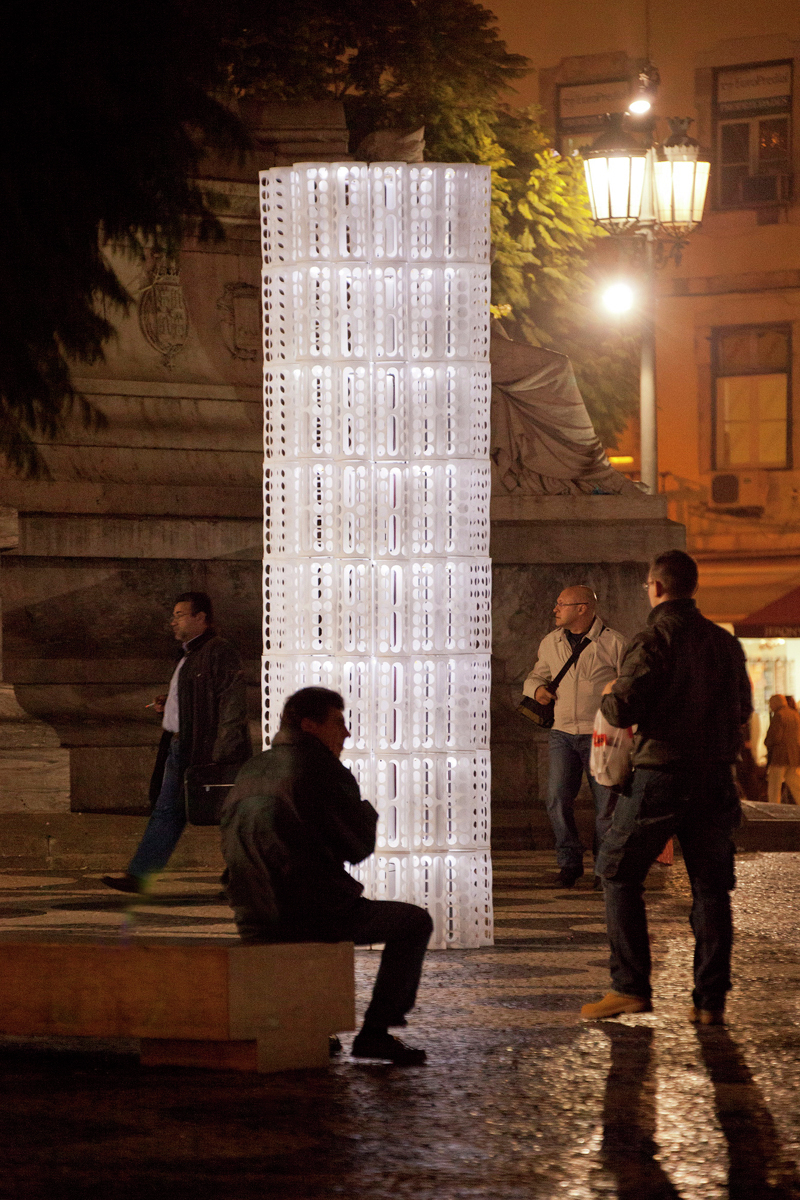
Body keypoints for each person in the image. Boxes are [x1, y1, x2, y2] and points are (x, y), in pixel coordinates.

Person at [581, 549, 753, 1024]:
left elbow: (624, 710)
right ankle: (710, 1001)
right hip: (717, 779)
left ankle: (630, 987)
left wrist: (611, 692)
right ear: (692, 588)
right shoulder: (724, 642)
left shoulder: (654, 638)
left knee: (617, 871)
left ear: (656, 588)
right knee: (712, 888)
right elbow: (743, 709)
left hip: (662, 777)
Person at [220, 686, 433, 1066]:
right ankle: (376, 1033)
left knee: (319, 912)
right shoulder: (321, 769)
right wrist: (367, 812)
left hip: (250, 912)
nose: (346, 733)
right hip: (309, 911)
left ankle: (311, 1025)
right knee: (413, 922)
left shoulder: (253, 768)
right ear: (310, 725)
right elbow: (357, 846)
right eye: (339, 723)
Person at [102, 592, 251, 894]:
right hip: (181, 745)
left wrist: (223, 750)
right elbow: (195, 696)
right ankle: (141, 875)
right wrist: (168, 704)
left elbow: (231, 701)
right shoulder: (189, 654)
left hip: (206, 748)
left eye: (181, 614)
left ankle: (246, 877)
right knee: (168, 811)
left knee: (226, 813)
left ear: (202, 618)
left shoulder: (218, 651)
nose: (173, 621)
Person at [523, 585, 626, 888]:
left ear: (582, 608)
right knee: (556, 799)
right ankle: (569, 863)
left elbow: (631, 684)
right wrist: (536, 690)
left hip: (601, 735)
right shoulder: (550, 642)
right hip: (563, 733)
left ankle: (603, 868)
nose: (555, 609)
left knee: (606, 806)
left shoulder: (614, 642)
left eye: (561, 604)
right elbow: (535, 676)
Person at [764, 694, 800, 804]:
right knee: (795, 783)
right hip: (794, 755)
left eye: (771, 703)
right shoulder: (795, 715)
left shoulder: (779, 715)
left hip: (780, 756)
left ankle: (774, 809)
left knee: (774, 786)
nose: (770, 706)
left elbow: (775, 737)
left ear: (776, 703)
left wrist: (767, 742)